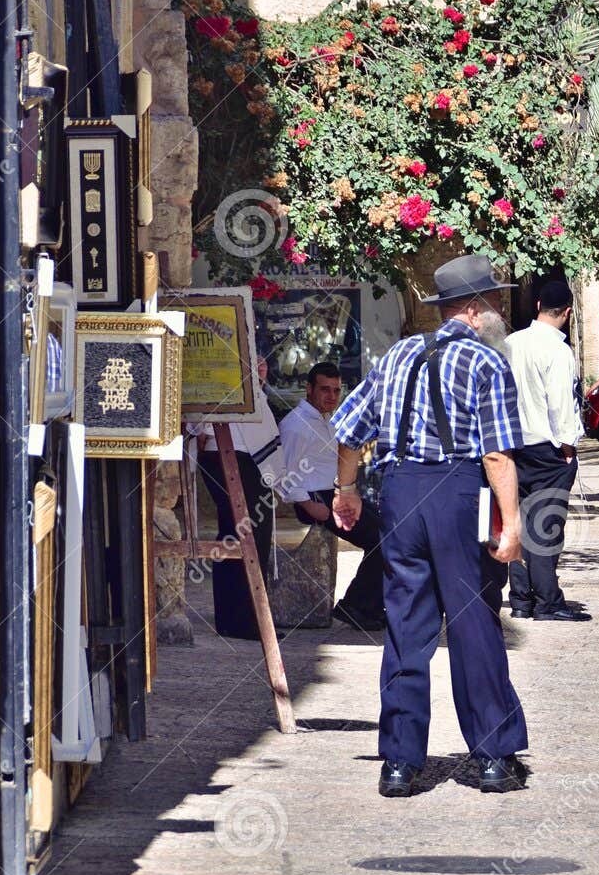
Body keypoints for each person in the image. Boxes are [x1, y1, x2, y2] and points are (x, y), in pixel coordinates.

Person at [329, 254, 530, 798]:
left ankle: (398, 763)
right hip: (458, 492)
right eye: (491, 302)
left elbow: (348, 430)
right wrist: (511, 525)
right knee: (473, 624)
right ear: (471, 311)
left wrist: (345, 490)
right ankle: (492, 757)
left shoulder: (396, 356)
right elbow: (496, 456)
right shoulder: (488, 364)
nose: (496, 312)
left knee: (406, 626)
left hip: (400, 491)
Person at [501, 279, 590, 622]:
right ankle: (548, 602)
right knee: (545, 527)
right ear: (567, 312)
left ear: (538, 305)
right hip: (547, 448)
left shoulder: (510, 343)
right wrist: (567, 447)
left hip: (514, 446)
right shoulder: (558, 351)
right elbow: (560, 405)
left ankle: (522, 599)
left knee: (520, 523)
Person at [279, 361, 387, 632]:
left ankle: (369, 606)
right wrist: (309, 505)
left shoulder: (326, 420)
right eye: (325, 390)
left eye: (336, 391)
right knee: (382, 539)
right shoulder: (296, 424)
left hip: (332, 494)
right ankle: (356, 606)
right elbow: (285, 474)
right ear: (309, 389)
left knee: (391, 530)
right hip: (314, 499)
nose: (331, 396)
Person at [192, 357, 284, 641]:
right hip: (225, 449)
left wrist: (257, 380)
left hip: (245, 453)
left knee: (244, 531)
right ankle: (243, 619)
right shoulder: (221, 356)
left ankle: (241, 618)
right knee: (244, 531)